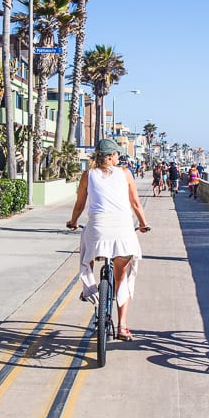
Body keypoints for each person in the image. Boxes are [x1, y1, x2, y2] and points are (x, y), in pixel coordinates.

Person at [67, 138, 150, 341]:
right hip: (123, 231)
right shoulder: (125, 173)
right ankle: (122, 326)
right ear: (112, 157)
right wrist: (143, 223)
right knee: (123, 277)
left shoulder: (88, 175)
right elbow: (136, 204)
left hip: (98, 228)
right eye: (117, 155)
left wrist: (73, 221)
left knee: (88, 249)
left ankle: (90, 288)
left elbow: (79, 205)